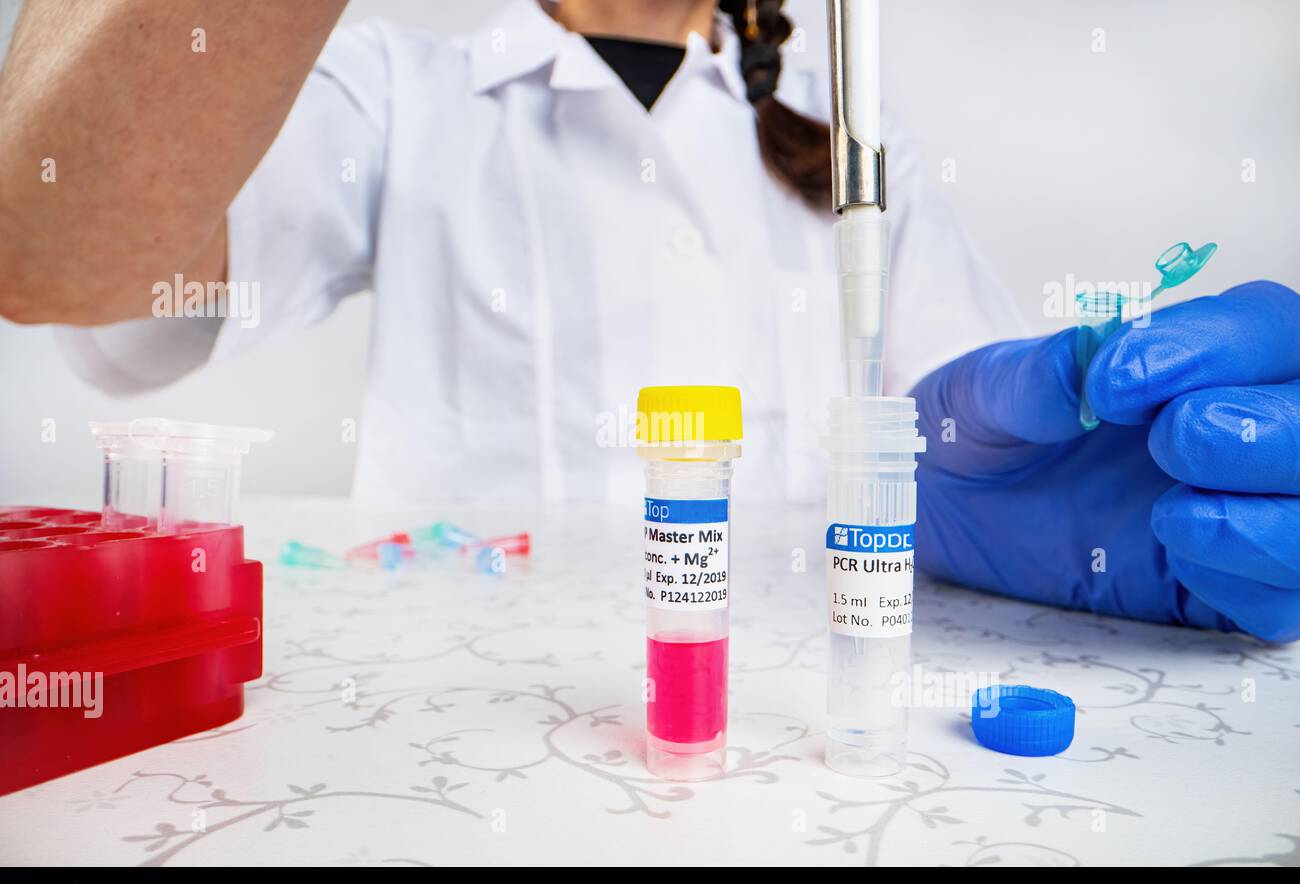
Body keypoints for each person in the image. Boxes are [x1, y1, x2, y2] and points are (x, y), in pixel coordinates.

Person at [0, 0, 1295, 641]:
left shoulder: (857, 146)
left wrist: (1115, 460)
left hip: (796, 747)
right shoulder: (403, 87)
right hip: (459, 738)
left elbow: (978, 437)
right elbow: (55, 251)